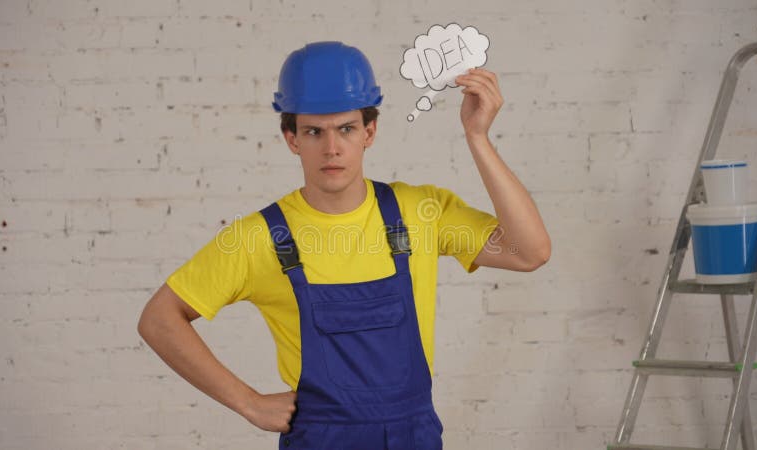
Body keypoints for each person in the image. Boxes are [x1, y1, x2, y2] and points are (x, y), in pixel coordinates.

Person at [138, 41, 550, 450]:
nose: (332, 148)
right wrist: (249, 403)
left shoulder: (420, 212)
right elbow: (159, 319)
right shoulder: (257, 238)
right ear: (291, 138)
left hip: (414, 436)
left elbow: (530, 252)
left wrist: (477, 137)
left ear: (369, 131)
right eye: (314, 131)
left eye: (346, 129)